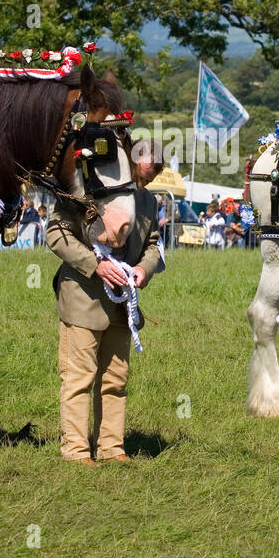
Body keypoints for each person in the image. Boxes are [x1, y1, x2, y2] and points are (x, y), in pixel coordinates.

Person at [45, 163, 163, 466]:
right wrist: (95, 265)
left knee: (116, 379)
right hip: (82, 300)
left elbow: (152, 245)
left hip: (122, 304)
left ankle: (111, 447)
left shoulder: (148, 201)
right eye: (141, 173)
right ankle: (75, 450)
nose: (142, 182)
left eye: (149, 178)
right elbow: (56, 233)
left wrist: (143, 269)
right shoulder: (85, 190)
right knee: (78, 377)